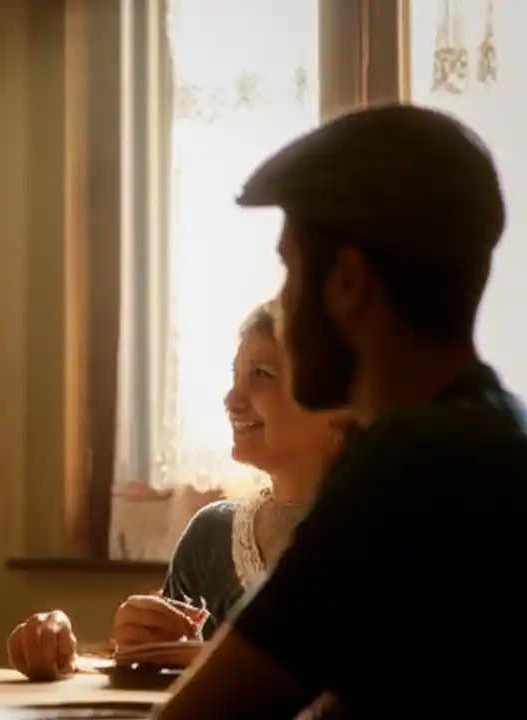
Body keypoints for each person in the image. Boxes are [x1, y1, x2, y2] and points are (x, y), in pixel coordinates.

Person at [156, 104, 527, 718]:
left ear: (349, 281)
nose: (282, 304)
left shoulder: (411, 465)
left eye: (291, 268)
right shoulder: (493, 431)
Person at [7, 300, 348, 681]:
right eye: (234, 376)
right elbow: (163, 683)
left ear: (338, 406)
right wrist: (110, 643)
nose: (232, 400)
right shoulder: (213, 534)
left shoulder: (392, 537)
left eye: (262, 374)